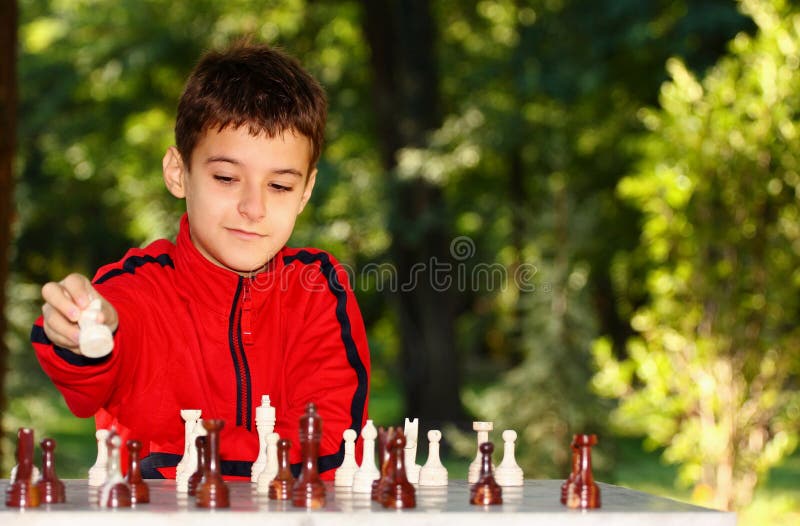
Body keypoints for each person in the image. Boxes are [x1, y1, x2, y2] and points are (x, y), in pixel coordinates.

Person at [30, 42, 370, 480]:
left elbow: (332, 443)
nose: (253, 207)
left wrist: (180, 460)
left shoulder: (317, 288)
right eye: (227, 178)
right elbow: (90, 367)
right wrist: (76, 335)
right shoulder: (138, 289)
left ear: (306, 191)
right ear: (177, 172)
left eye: (280, 186)